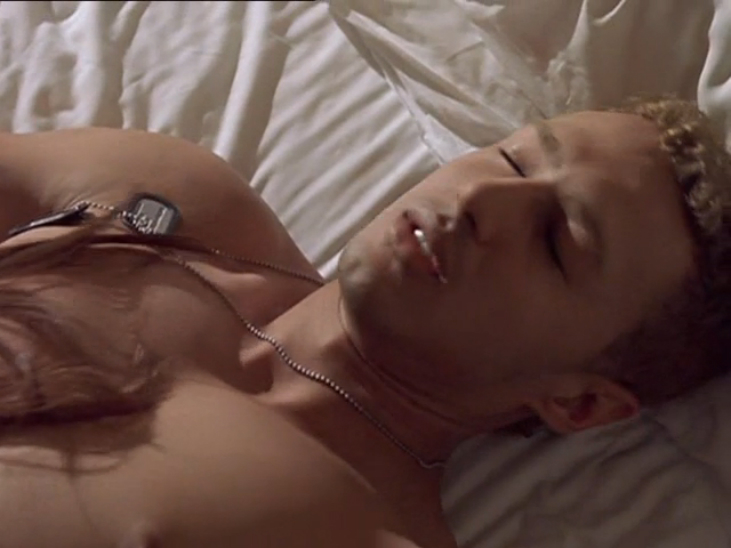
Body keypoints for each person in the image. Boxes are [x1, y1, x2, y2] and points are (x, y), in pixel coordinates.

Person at [0, 96, 727, 548]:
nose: (480, 200)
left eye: (555, 242)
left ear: (581, 403)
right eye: (511, 161)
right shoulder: (168, 197)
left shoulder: (348, 530)